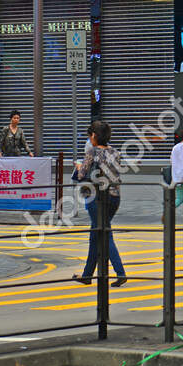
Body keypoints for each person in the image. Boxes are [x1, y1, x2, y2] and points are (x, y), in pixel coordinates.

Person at [71, 120, 127, 286]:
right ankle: (87, 275)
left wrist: (79, 166)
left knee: (104, 234)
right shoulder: (115, 152)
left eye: (90, 136)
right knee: (95, 234)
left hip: (96, 198)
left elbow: (81, 175)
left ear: (94, 135)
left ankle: (120, 272)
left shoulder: (92, 152)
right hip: (114, 197)